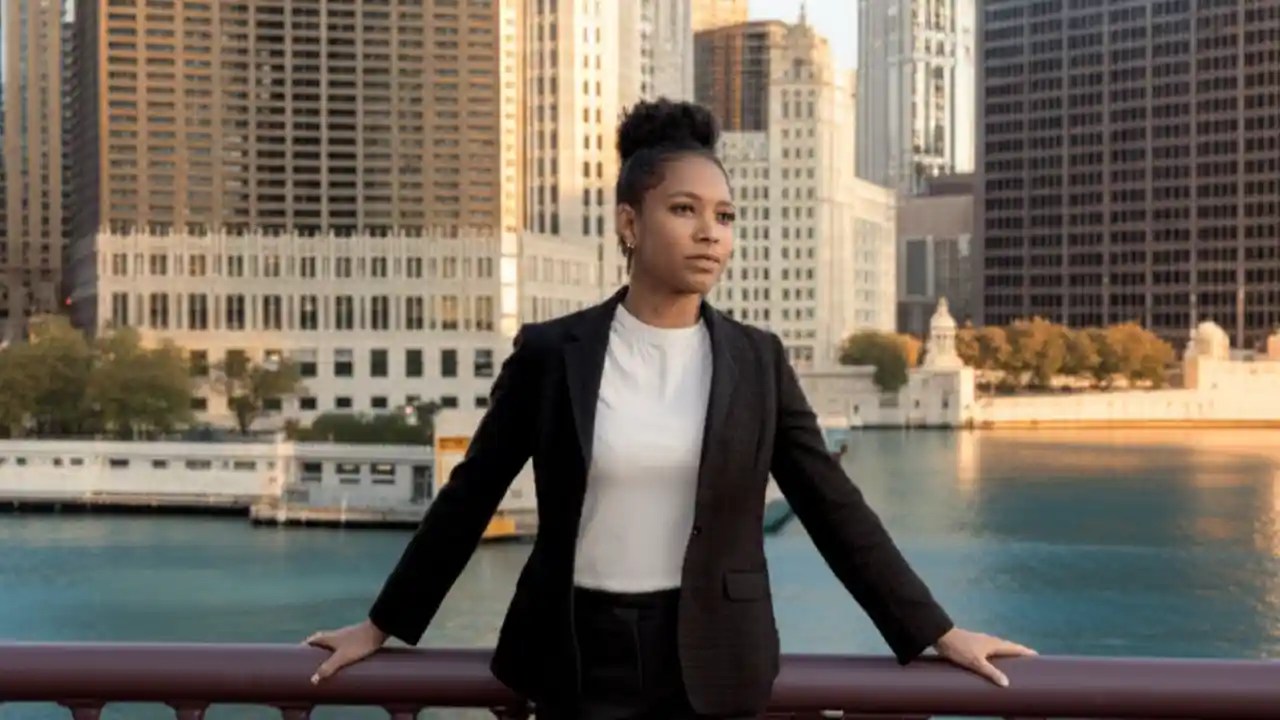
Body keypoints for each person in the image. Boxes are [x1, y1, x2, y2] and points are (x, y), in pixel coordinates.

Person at [305, 99, 1033, 719]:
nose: (710, 232)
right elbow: (471, 495)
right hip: (573, 657)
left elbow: (832, 505)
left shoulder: (757, 360)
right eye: (683, 210)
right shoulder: (554, 354)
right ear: (629, 222)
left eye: (724, 215)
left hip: (714, 659)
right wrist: (382, 625)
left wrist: (934, 631)